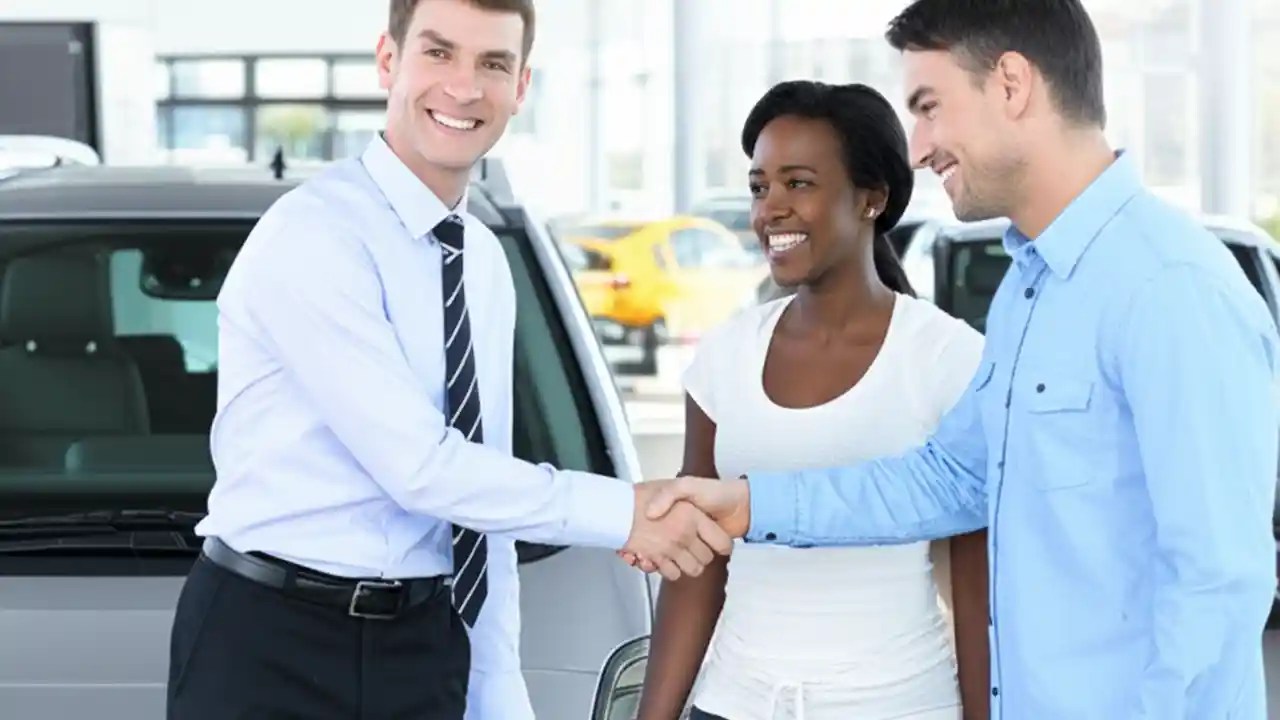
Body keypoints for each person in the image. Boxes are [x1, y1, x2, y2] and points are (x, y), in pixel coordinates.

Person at [638, 1, 1280, 718]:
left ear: (1010, 85)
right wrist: (751, 503)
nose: (917, 146)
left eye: (929, 107)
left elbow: (1218, 583)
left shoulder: (1169, 287)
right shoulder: (1028, 291)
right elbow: (948, 479)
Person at [165, 1, 731, 719]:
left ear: (521, 86)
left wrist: (498, 685)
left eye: (492, 63)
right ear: (387, 59)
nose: (464, 88)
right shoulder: (314, 235)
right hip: (273, 642)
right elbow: (421, 467)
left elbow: (478, 494)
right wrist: (626, 510)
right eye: (439, 53)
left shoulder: (485, 262)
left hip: (424, 639)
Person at [631, 80, 990, 720]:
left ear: (872, 198)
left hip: (896, 706)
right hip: (732, 705)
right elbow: (695, 565)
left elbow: (976, 581)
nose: (771, 208)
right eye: (759, 186)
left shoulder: (946, 358)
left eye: (799, 183)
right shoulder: (724, 358)